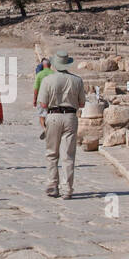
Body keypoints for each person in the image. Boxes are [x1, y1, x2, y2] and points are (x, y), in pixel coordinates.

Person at [36, 50, 86, 199]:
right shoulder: (77, 80)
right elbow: (82, 103)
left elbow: (43, 104)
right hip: (70, 116)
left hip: (53, 116)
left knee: (52, 153)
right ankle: (68, 189)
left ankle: (53, 186)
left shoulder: (47, 80)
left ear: (54, 65)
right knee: (68, 155)